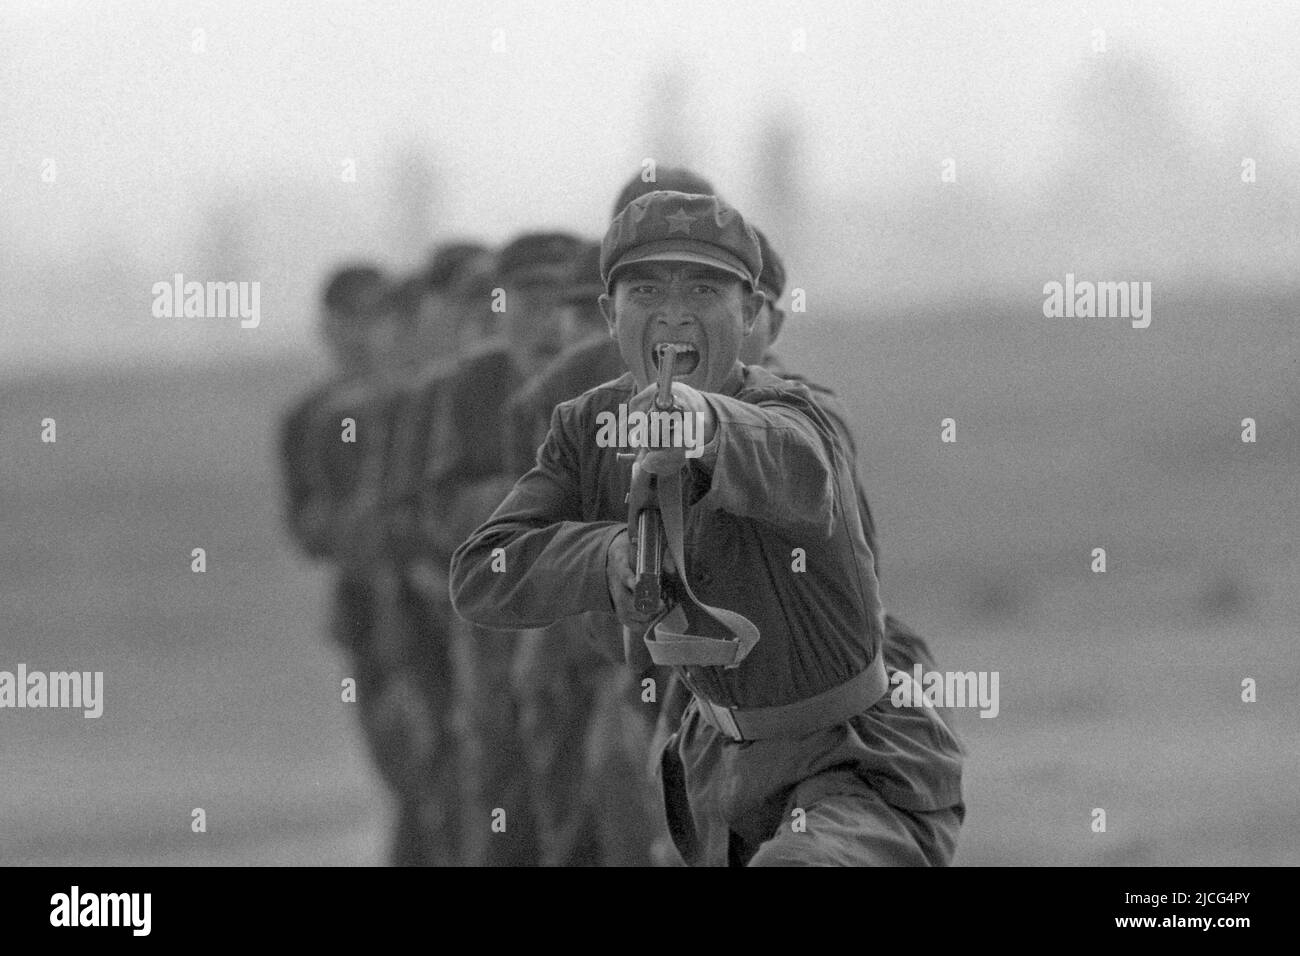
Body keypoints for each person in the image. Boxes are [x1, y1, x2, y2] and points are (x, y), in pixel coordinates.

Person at [450, 191, 964, 866]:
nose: (674, 312)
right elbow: (483, 571)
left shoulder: (796, 412)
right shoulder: (586, 426)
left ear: (751, 312)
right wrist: (605, 557)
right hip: (717, 772)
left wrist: (703, 427)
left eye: (703, 287)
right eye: (645, 289)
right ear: (610, 314)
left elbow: (797, 466)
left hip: (859, 762)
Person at [429, 231, 583, 866]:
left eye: (563, 303)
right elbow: (439, 507)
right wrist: (532, 497)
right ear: (503, 308)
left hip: (593, 626)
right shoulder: (473, 385)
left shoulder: (603, 377)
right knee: (499, 795)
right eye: (529, 302)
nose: (546, 324)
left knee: (589, 800)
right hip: (498, 625)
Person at [279, 263, 430, 865]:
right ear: (327, 330)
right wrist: (360, 531)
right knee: (403, 763)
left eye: (374, 319)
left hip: (435, 602)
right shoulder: (310, 419)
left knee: (441, 771)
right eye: (349, 322)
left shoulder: (426, 400)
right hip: (372, 616)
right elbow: (305, 526)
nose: (362, 337)